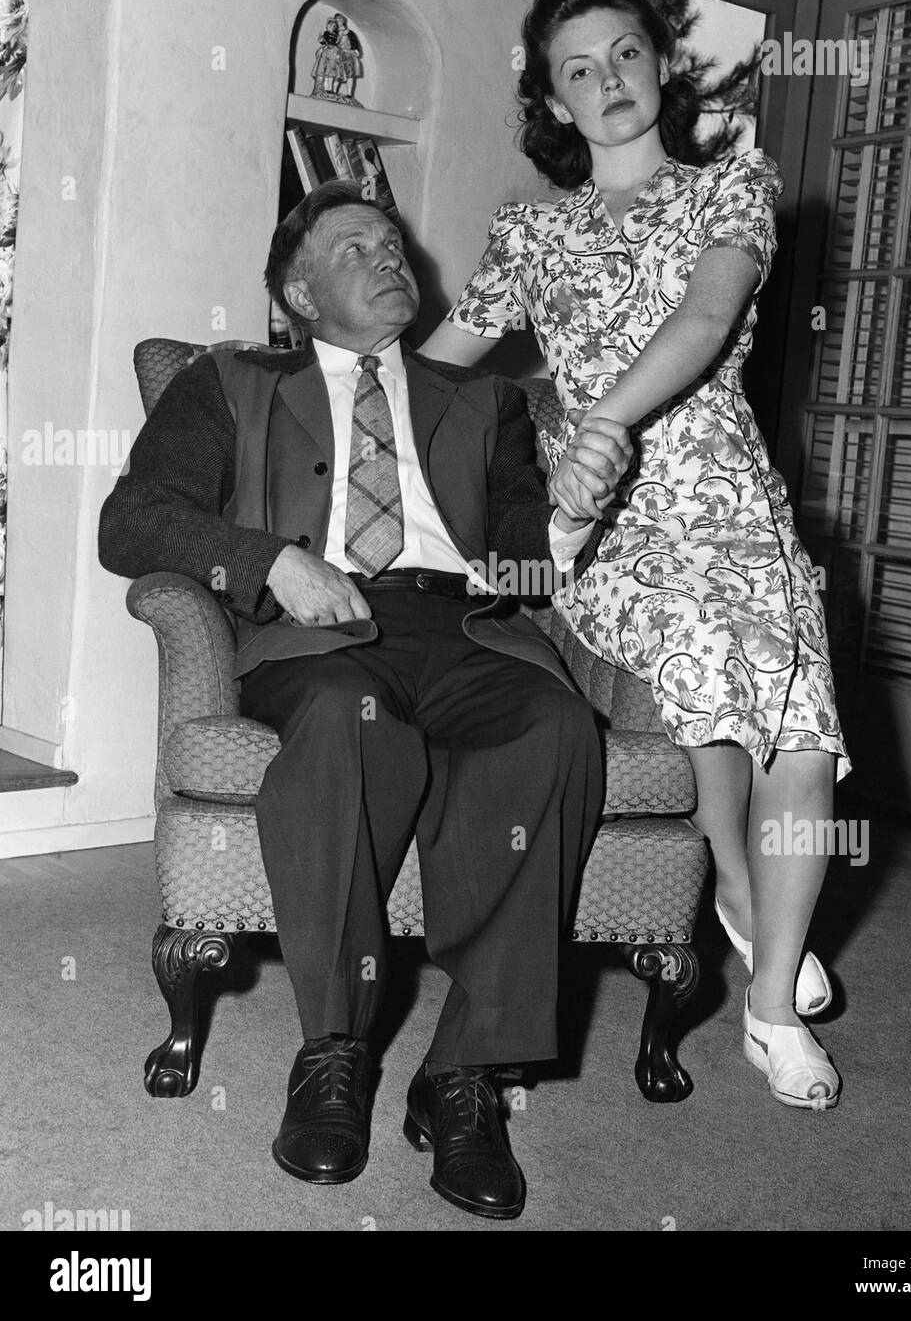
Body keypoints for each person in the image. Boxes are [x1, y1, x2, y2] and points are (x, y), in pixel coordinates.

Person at [99, 178, 633, 1219]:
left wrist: (568, 517)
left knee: (556, 723)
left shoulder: (484, 400)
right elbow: (133, 521)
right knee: (349, 713)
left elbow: (528, 563)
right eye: (356, 247)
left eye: (395, 244)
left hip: (466, 628)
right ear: (298, 294)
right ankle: (332, 1050)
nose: (392, 259)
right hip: (317, 630)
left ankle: (462, 1078)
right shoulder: (227, 382)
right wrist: (269, 561)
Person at [421, 0, 850, 1112]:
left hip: (729, 494)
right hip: (611, 522)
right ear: (554, 106)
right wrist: (305, 374)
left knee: (800, 721)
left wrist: (600, 412)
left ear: (657, 65)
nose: (605, 81)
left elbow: (705, 320)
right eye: (576, 70)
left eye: (623, 54)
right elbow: (429, 372)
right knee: (714, 666)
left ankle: (765, 1011)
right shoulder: (528, 229)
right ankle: (752, 909)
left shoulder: (733, 187)